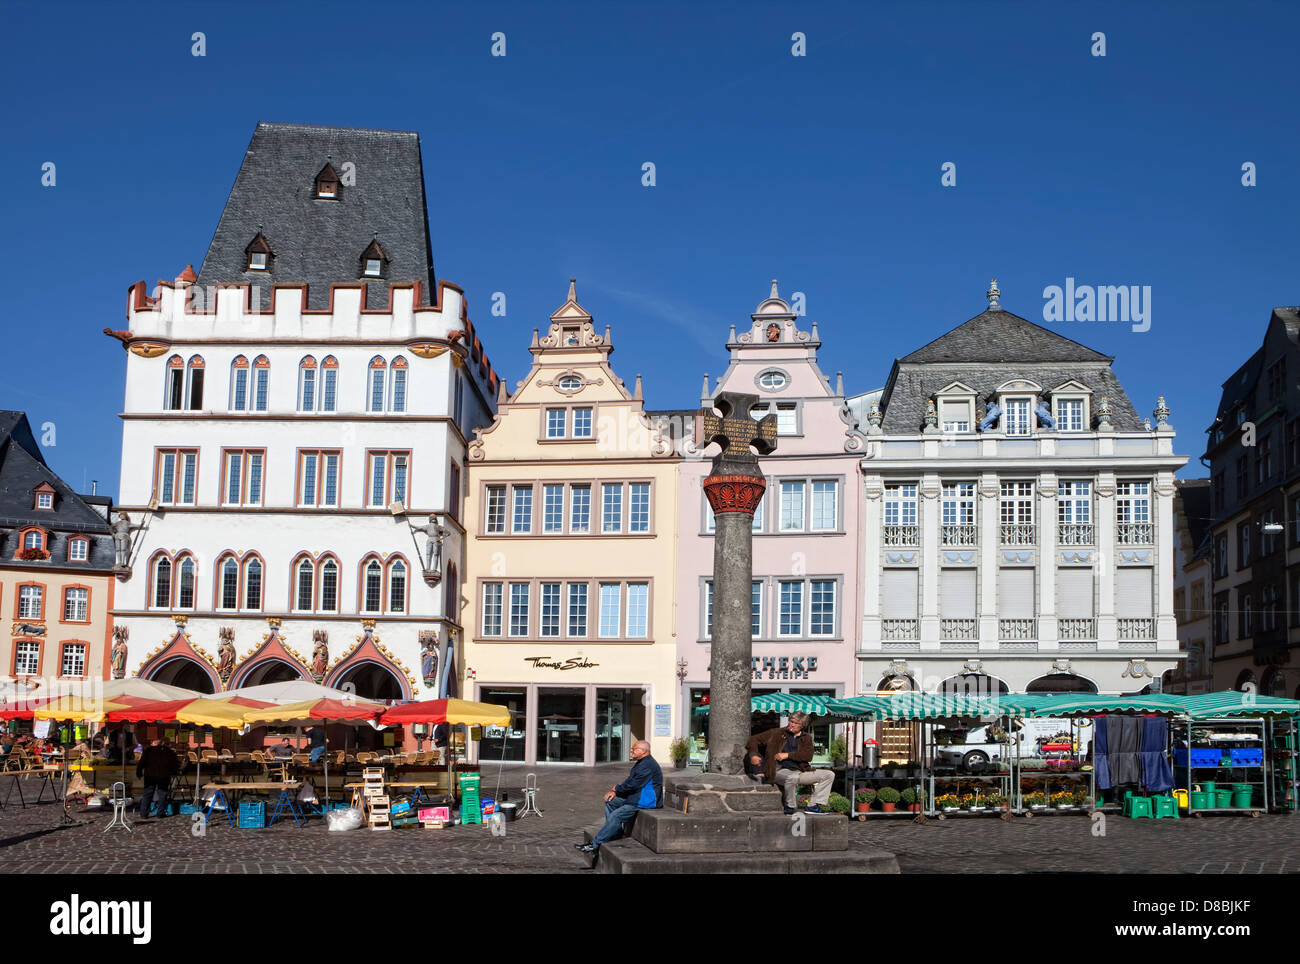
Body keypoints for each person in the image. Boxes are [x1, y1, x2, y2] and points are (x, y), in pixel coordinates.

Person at [574, 740, 661, 854]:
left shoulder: (647, 765)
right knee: (611, 801)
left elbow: (633, 785)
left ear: (643, 751)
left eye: (634, 749)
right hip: (636, 797)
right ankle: (615, 832)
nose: (631, 750)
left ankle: (594, 844)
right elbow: (630, 781)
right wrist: (616, 793)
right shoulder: (641, 762)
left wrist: (617, 789)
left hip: (644, 801)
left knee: (616, 815)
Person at [746, 711, 834, 815]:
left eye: (796, 723)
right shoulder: (776, 733)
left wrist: (787, 755)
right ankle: (790, 806)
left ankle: (813, 805)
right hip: (777, 770)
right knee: (792, 777)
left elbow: (807, 756)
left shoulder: (807, 738)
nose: (792, 724)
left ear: (802, 726)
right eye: (791, 721)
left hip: (800, 771)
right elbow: (753, 739)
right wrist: (753, 755)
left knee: (829, 775)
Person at [136, 738, 179, 819]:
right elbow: (175, 763)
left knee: (147, 794)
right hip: (163, 775)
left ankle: (144, 813)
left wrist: (139, 772)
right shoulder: (168, 751)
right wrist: (174, 771)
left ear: (153, 743)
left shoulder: (148, 750)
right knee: (162, 794)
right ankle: (160, 813)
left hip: (150, 775)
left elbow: (142, 762)